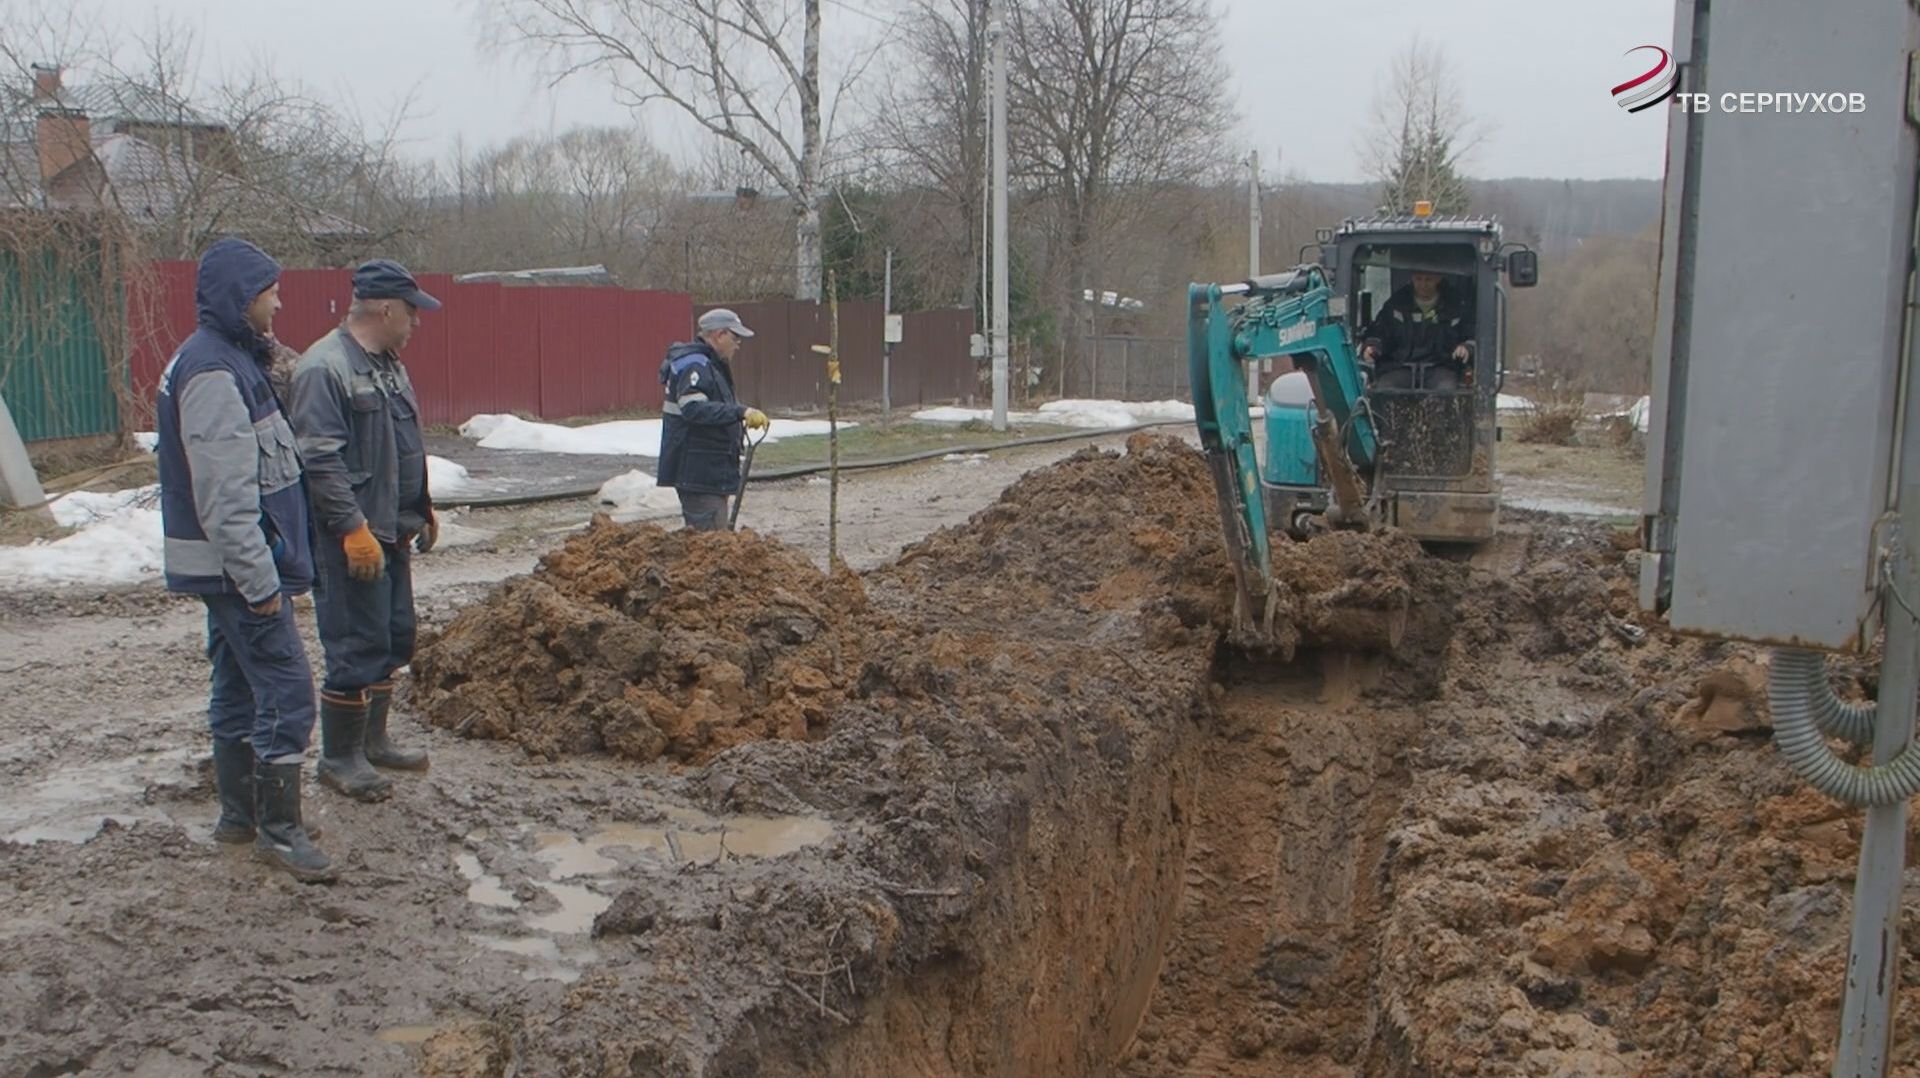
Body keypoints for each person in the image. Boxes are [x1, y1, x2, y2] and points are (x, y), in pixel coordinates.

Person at [155, 237, 333, 882]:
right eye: (270, 292)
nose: (279, 303)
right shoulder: (212, 371)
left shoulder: (227, 358)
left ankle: (240, 817)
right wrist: (259, 580)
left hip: (228, 567)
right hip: (237, 569)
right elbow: (225, 492)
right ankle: (279, 833)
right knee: (287, 691)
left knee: (236, 685)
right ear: (242, 298)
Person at [289, 259, 440, 804]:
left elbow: (402, 446)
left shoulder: (388, 365)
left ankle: (373, 741)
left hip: (391, 529)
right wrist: (351, 528)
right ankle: (339, 757)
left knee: (394, 636)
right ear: (385, 309)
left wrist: (421, 507)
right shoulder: (323, 369)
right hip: (351, 537)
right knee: (356, 644)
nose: (416, 323)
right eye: (412, 312)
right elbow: (320, 462)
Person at [656, 307, 770, 530]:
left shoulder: (709, 364)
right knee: (711, 543)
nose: (738, 344)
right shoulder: (695, 365)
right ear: (719, 335)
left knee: (715, 542)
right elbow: (694, 408)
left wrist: (737, 413)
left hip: (709, 470)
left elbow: (711, 405)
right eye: (735, 337)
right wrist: (740, 412)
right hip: (698, 472)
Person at [1359, 269, 1476, 390]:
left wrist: (1465, 347)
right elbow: (1380, 331)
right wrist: (1372, 345)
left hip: (1441, 367)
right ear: (1412, 278)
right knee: (1386, 390)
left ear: (1438, 278)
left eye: (1428, 280)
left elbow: (1470, 333)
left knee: (1445, 392)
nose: (1423, 284)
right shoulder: (1396, 303)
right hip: (1399, 366)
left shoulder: (1456, 305)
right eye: (1419, 279)